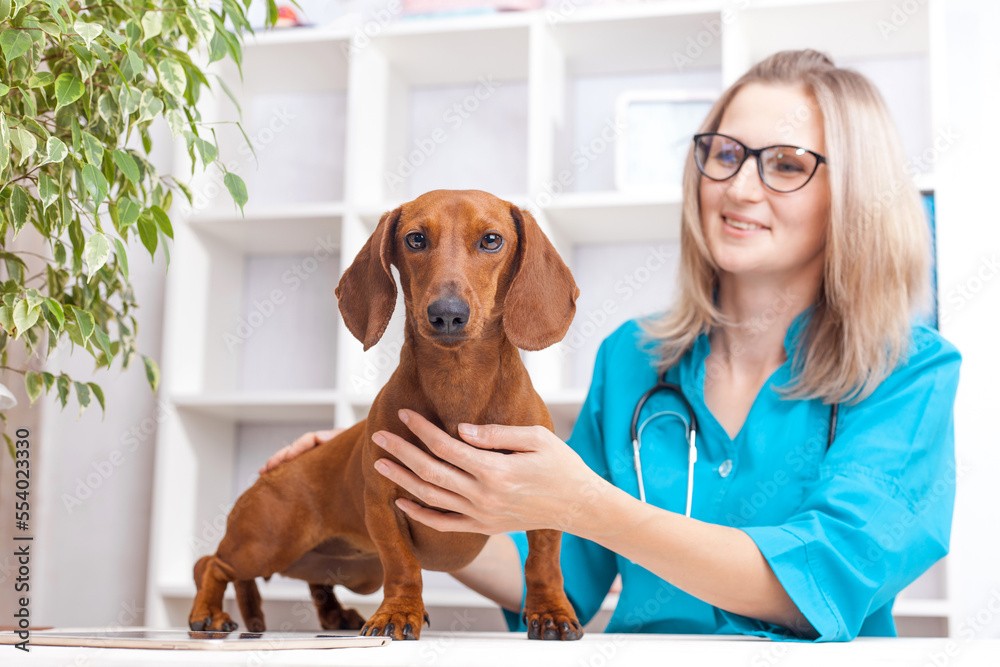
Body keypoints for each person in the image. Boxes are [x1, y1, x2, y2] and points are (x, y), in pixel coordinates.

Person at [261, 49, 961, 642]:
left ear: (855, 195)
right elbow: (577, 573)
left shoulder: (909, 372)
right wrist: (409, 482)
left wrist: (582, 501)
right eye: (722, 154)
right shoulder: (633, 358)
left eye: (784, 164)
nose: (739, 186)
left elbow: (825, 578)